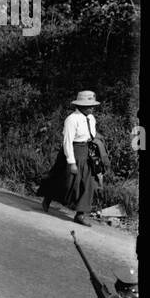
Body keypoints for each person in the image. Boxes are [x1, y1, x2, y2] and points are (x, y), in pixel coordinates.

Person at [39, 90, 109, 226]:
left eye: (93, 105)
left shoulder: (91, 118)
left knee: (89, 182)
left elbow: (92, 134)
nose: (93, 108)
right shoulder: (72, 119)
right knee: (67, 181)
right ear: (81, 106)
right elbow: (67, 142)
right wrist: (71, 163)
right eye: (90, 105)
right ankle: (49, 196)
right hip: (72, 150)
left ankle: (80, 214)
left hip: (87, 152)